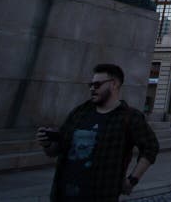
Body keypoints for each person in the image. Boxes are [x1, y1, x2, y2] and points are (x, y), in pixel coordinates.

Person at [36, 63, 159, 201]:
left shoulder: (129, 117)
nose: (92, 89)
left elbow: (151, 147)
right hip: (62, 194)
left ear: (113, 84)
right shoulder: (79, 112)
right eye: (91, 85)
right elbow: (57, 150)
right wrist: (47, 144)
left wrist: (132, 180)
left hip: (100, 194)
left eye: (97, 85)